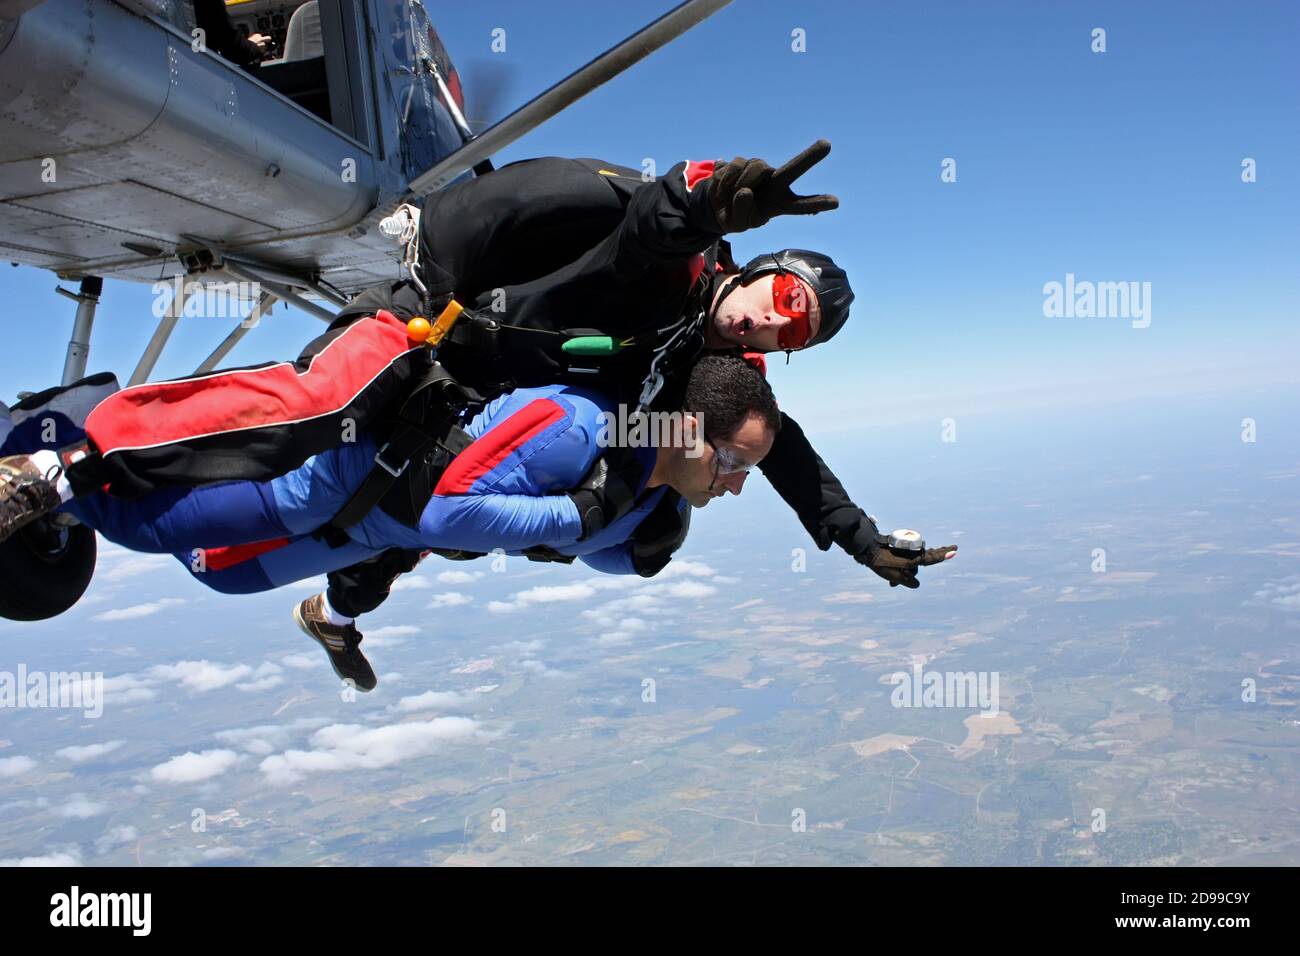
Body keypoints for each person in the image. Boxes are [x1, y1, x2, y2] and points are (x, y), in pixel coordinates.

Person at [0, 142, 955, 618]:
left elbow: (773, 442)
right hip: (419, 342)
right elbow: (647, 229)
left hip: (446, 406)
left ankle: (76, 489)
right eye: (784, 296)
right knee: (306, 413)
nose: (774, 323)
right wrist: (706, 204)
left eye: (798, 334)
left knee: (328, 528)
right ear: (755, 268)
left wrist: (857, 537)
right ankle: (60, 468)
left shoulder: (703, 367)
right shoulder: (681, 270)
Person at [32, 355, 781, 690]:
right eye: (730, 463)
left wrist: (635, 546)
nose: (734, 485)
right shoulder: (578, 426)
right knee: (141, 527)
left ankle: (328, 614)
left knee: (218, 576)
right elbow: (449, 507)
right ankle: (49, 452)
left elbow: (589, 544)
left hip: (370, 531)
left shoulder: (651, 512)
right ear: (684, 431)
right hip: (335, 480)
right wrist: (574, 513)